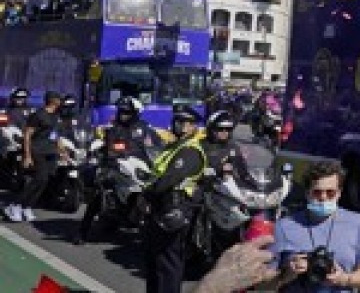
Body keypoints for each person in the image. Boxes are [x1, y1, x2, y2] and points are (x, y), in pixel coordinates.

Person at [266, 160, 360, 291]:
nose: (323, 197)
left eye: (330, 192)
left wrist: (344, 279)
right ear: (307, 193)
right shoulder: (284, 226)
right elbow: (265, 285)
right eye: (317, 192)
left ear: (339, 193)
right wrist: (290, 273)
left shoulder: (358, 223)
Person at [76, 96, 163, 244]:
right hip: (115, 166)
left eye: (128, 112)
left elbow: (157, 146)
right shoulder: (113, 128)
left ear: (135, 113)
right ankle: (82, 232)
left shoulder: (146, 128)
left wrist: (160, 155)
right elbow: (110, 146)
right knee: (99, 194)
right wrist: (112, 153)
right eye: (122, 111)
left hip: (140, 168)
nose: (124, 115)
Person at [145, 106, 208, 293]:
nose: (180, 126)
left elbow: (170, 178)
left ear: (193, 127)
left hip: (175, 210)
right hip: (160, 207)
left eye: (186, 123)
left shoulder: (190, 151)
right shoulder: (174, 147)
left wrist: (147, 193)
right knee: (155, 260)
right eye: (178, 122)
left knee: (168, 263)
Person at [4, 91, 63, 222]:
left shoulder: (55, 116)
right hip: (37, 150)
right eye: (59, 99)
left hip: (50, 151)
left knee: (44, 181)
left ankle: (27, 206)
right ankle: (14, 205)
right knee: (39, 179)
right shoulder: (38, 115)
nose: (61, 102)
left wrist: (62, 151)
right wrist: (27, 156)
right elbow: (27, 135)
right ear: (53, 100)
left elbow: (55, 134)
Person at [201, 110, 250, 178]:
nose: (224, 132)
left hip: (229, 185)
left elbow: (243, 173)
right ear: (212, 129)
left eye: (228, 129)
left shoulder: (232, 146)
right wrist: (220, 168)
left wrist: (241, 160)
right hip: (207, 185)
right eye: (220, 129)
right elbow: (197, 172)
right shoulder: (202, 146)